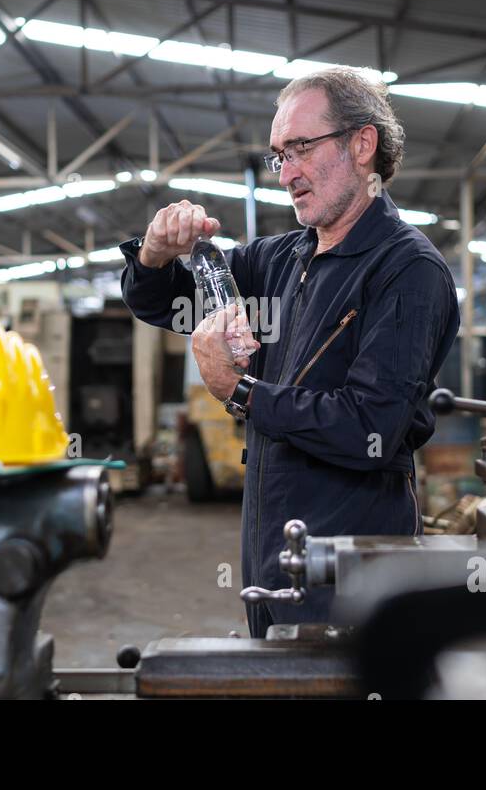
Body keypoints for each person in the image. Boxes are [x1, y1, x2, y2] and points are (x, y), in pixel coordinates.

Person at [120, 66, 459, 636]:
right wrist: (152, 255)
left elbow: (368, 426)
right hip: (270, 550)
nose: (286, 174)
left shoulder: (407, 270)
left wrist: (240, 391)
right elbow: (168, 303)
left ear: (361, 144)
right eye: (279, 155)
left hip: (350, 566)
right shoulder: (281, 260)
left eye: (300, 149)